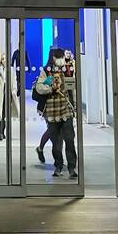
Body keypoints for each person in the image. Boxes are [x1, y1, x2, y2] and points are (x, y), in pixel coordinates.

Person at [35, 47, 78, 180]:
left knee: (70, 139)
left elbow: (72, 89)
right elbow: (39, 87)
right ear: (52, 58)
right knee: (57, 142)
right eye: (58, 57)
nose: (60, 60)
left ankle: (72, 168)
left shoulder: (67, 71)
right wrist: (50, 88)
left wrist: (74, 106)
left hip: (66, 109)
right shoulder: (46, 72)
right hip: (52, 111)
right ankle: (58, 166)